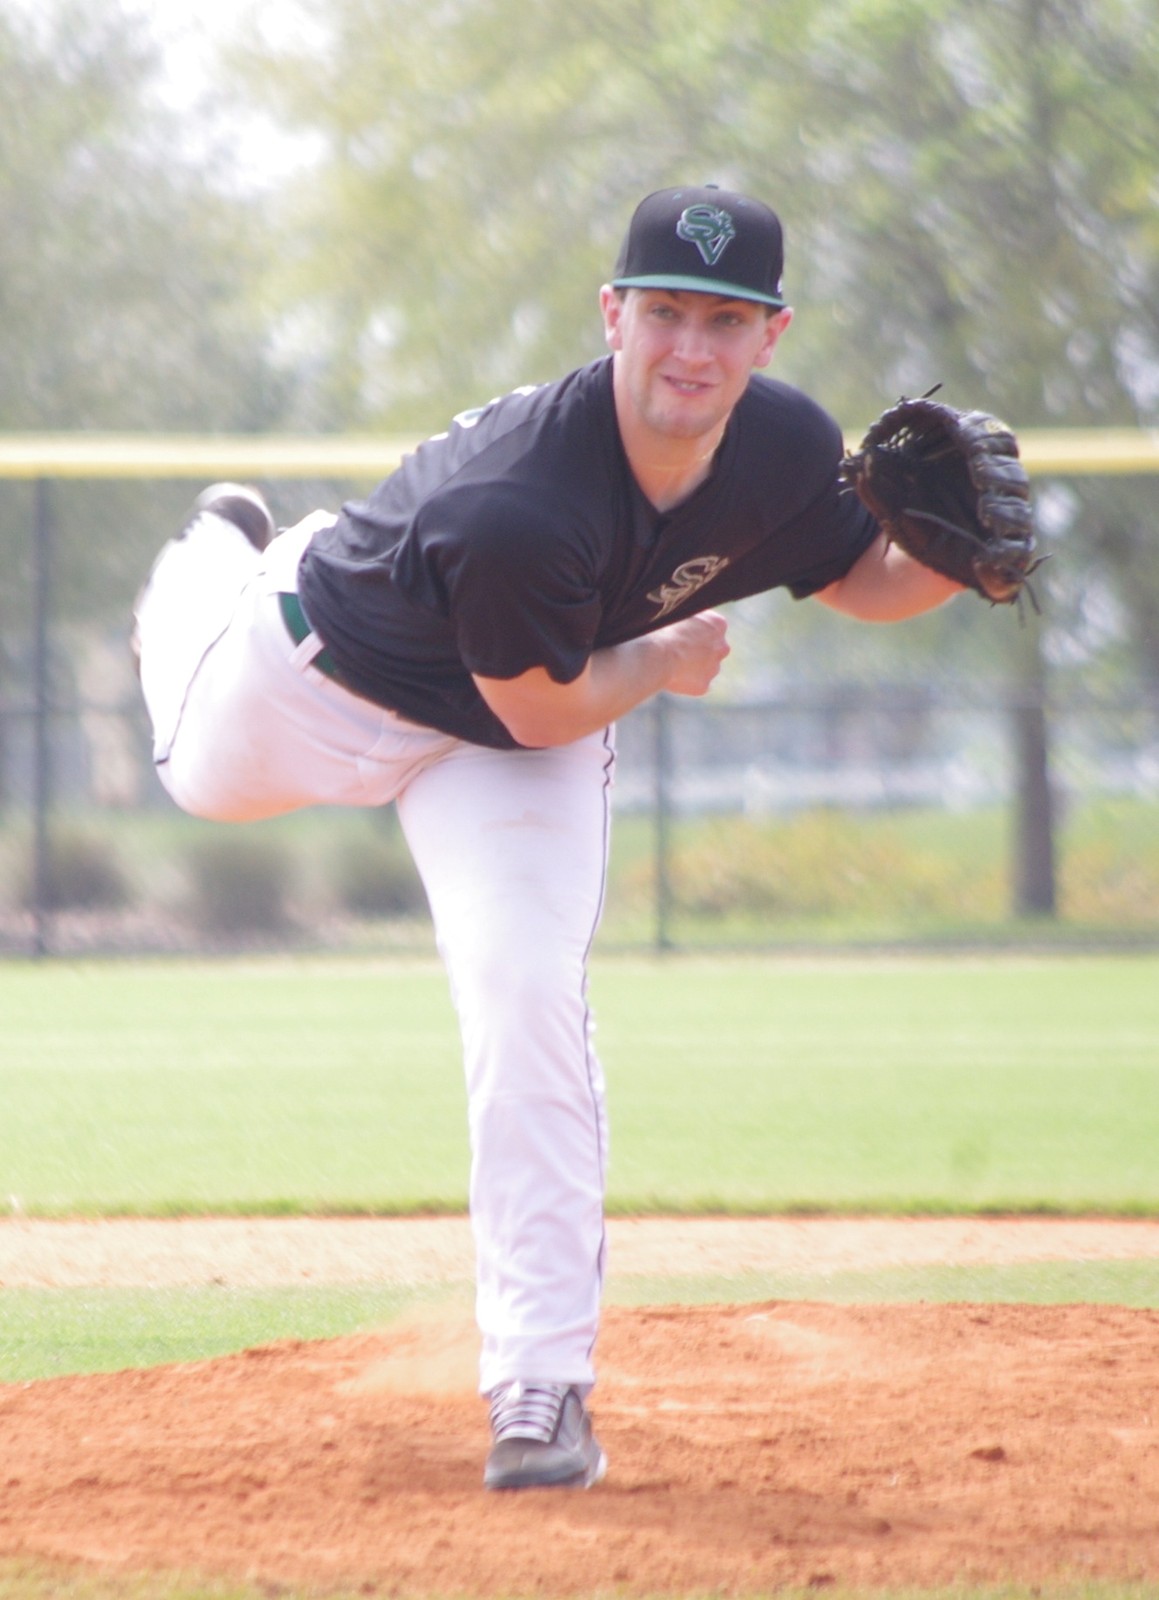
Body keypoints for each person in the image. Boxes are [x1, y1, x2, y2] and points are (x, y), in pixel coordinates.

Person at [133, 183, 963, 1492]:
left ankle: (540, 1384)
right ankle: (212, 549)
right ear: (614, 314)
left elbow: (862, 576)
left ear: (773, 334)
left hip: (511, 730)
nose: (692, 347)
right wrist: (667, 657)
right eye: (668, 312)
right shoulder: (522, 499)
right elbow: (544, 707)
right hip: (324, 674)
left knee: (527, 997)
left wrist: (969, 561)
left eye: (726, 320)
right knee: (192, 777)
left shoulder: (788, 447)